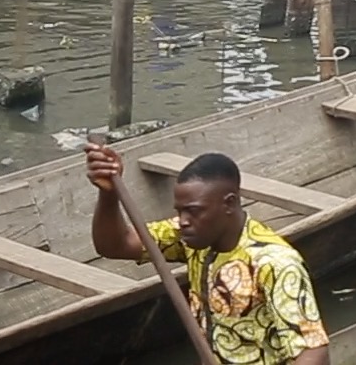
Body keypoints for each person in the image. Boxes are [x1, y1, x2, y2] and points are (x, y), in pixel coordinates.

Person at [85, 145, 329, 365]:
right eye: (179, 211)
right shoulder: (192, 238)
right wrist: (109, 194)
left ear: (229, 203)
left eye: (193, 212)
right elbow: (114, 245)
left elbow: (313, 353)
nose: (182, 222)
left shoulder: (274, 263)